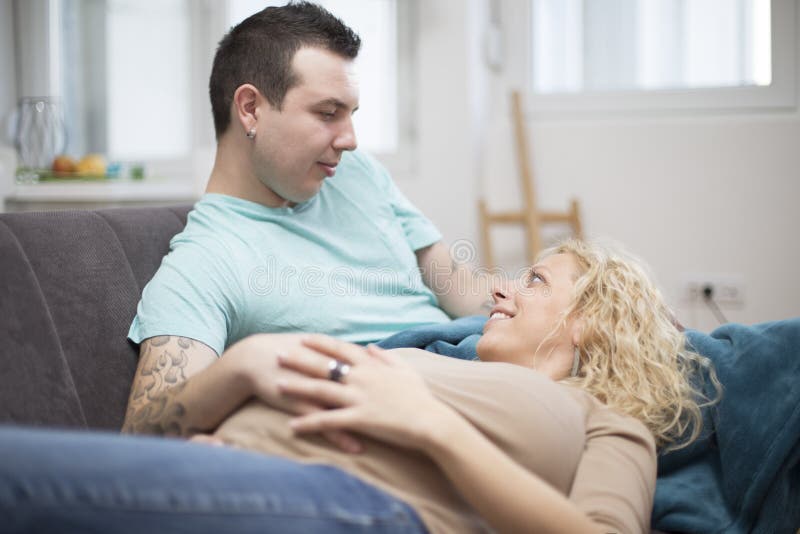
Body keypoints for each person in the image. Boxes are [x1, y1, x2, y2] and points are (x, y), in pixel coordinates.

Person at [0, 239, 718, 533]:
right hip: (222, 465)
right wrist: (245, 368)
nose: (501, 290)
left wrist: (430, 425)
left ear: (589, 322)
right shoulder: (456, 366)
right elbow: (149, 427)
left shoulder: (604, 422)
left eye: (533, 282)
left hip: (350, 504)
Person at [121, 2, 490, 443]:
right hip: (421, 406)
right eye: (328, 113)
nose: (350, 139)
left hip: (482, 364)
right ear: (251, 109)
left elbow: (458, 287)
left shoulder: (359, 175)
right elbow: (142, 428)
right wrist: (245, 363)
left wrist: (535, 307)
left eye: (351, 113)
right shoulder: (207, 261)